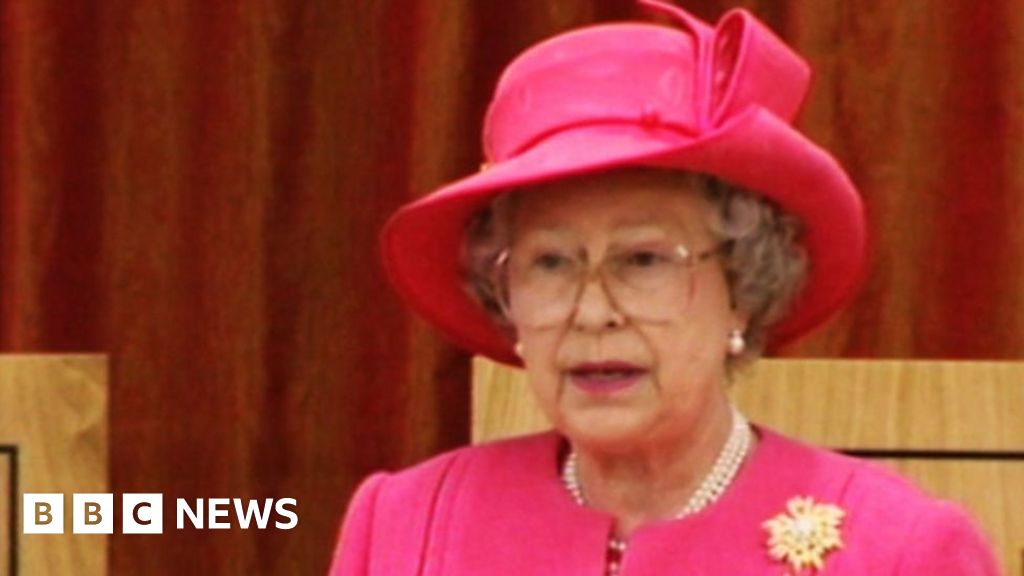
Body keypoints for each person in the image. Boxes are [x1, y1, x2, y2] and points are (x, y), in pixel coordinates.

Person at [330, 1, 1000, 574]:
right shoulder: (404, 526)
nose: (592, 313)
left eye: (644, 260)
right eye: (551, 264)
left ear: (742, 284)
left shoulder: (901, 550)